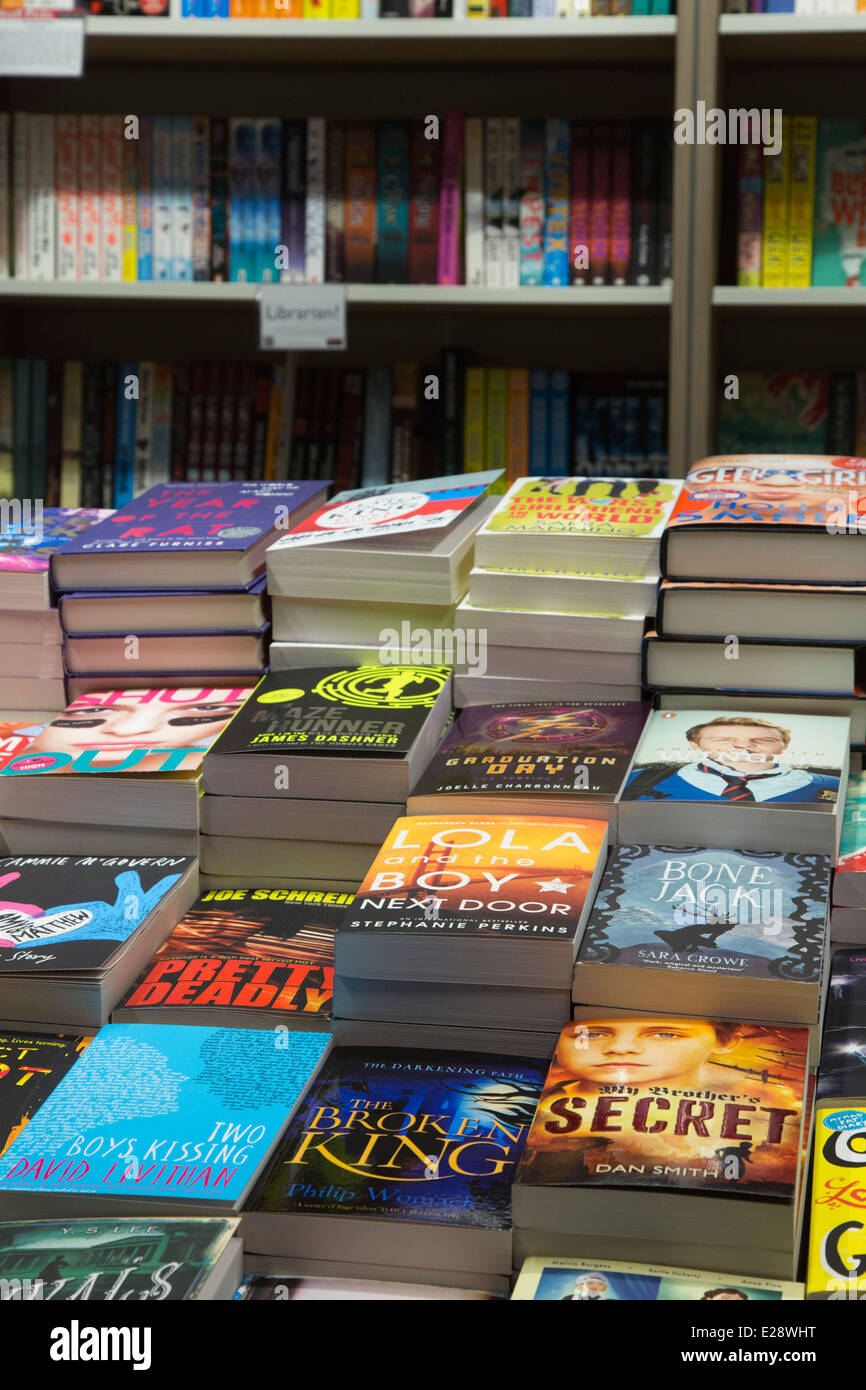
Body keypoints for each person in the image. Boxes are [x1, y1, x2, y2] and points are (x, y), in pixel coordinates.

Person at [625, 717, 838, 805]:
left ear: (784, 745)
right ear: (696, 745)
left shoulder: (832, 786)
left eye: (763, 739)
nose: (743, 746)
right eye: (724, 739)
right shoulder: (639, 780)